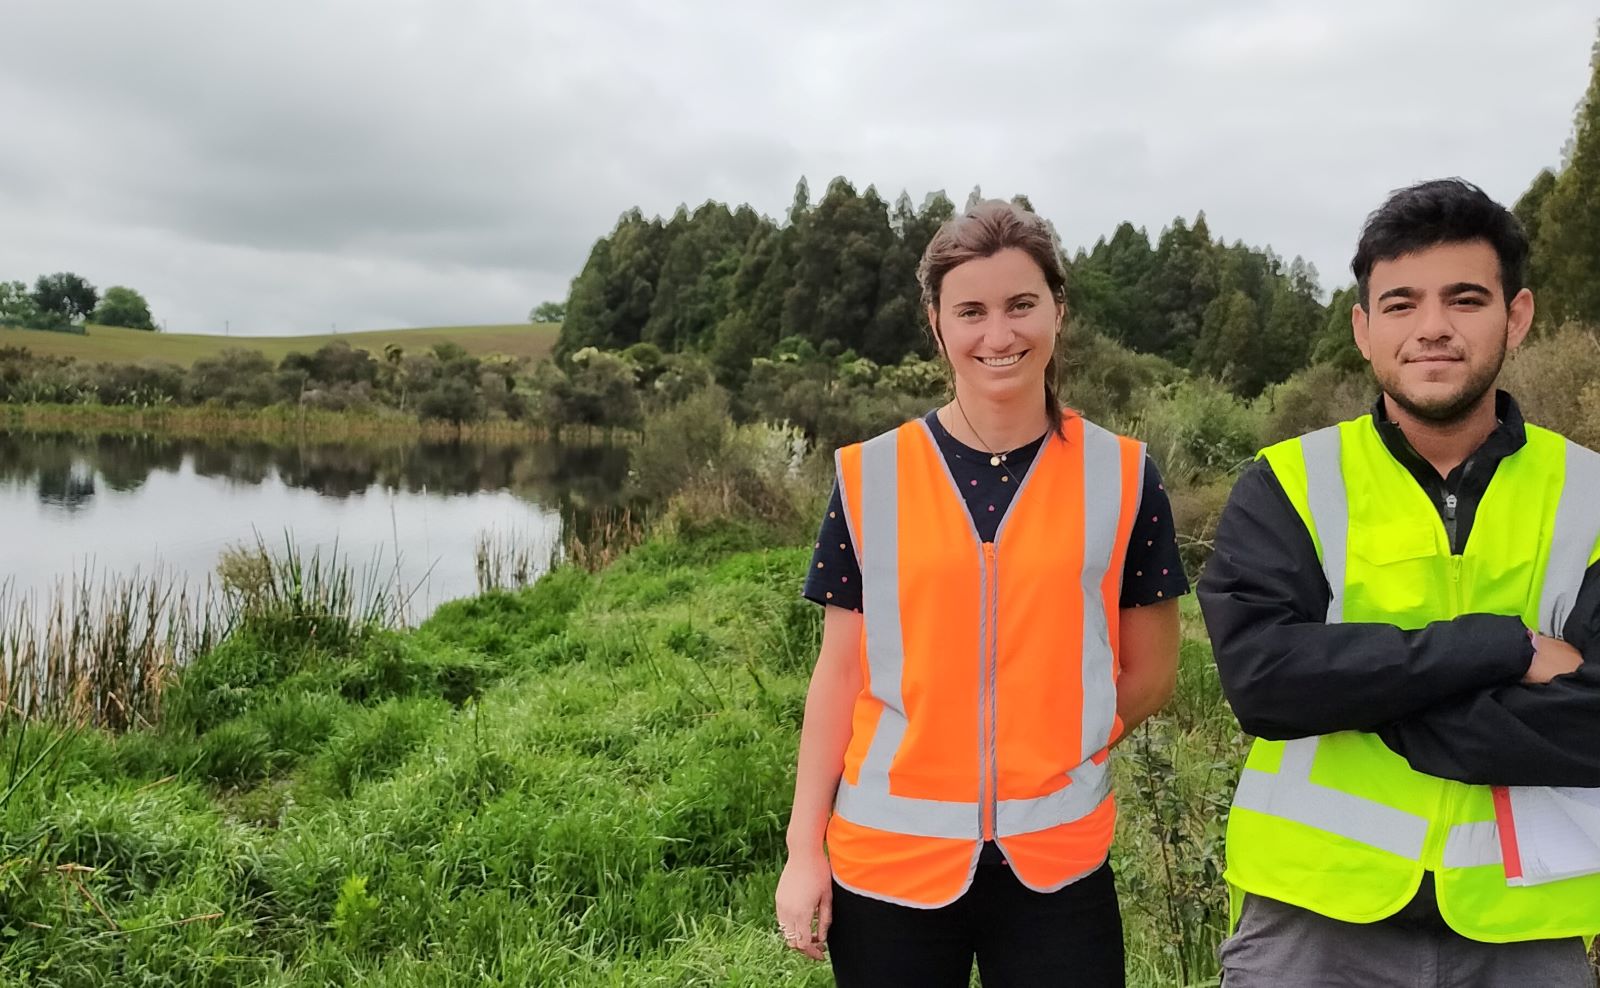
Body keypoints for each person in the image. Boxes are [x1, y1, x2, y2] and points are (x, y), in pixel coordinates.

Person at [773, 199, 1188, 987]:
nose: (999, 336)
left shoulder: (1126, 476)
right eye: (971, 311)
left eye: (1021, 305)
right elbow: (838, 677)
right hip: (887, 866)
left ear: (1058, 311)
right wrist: (803, 852)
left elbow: (1154, 672)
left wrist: (1065, 745)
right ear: (937, 325)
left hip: (1059, 870)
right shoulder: (870, 477)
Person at [1198, 178, 1600, 987]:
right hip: (1313, 921)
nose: (1433, 329)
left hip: (1527, 923)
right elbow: (1268, 684)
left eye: (1464, 299)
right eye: (1402, 304)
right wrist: (1501, 646)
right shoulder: (1289, 484)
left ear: (1516, 316)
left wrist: (1369, 699)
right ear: (1363, 328)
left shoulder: (1590, 495)